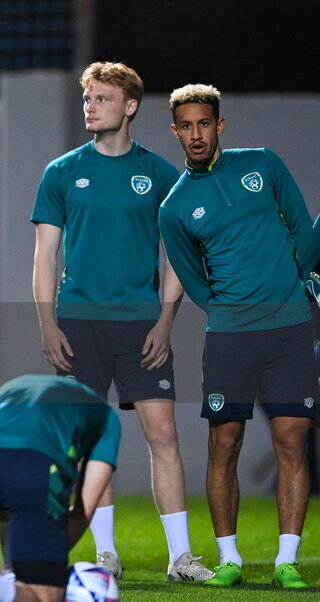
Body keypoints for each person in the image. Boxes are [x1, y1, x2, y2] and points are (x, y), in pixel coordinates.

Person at [30, 61, 212, 581]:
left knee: (165, 436)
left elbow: (180, 254)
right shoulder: (61, 171)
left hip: (140, 326)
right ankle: (106, 552)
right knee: (91, 438)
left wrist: (164, 321)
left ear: (130, 106)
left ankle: (181, 557)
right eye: (88, 99)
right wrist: (47, 325)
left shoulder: (159, 174)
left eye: (102, 98)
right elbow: (44, 256)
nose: (91, 106)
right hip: (78, 324)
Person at [159, 83, 318, 589]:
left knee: (293, 440)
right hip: (230, 338)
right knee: (223, 444)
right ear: (175, 132)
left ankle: (286, 561)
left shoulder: (264, 164)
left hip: (291, 329)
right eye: (186, 126)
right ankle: (228, 559)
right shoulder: (174, 207)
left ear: (219, 125)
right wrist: (229, 311)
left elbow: (302, 229)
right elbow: (193, 278)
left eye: (204, 123)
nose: (196, 134)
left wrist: (301, 287)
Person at [0, 375, 119, 602]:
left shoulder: (10, 390)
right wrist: (44, 561)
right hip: (34, 470)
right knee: (44, 596)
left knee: (10, 500)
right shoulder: (105, 416)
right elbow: (82, 511)